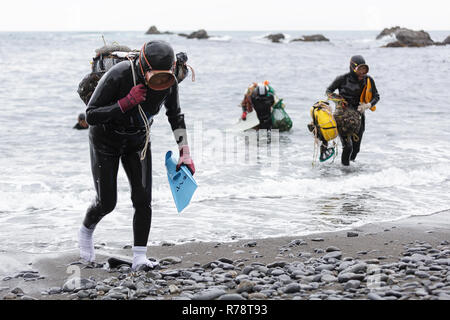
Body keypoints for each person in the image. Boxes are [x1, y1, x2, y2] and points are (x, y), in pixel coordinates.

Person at [78, 40, 195, 271]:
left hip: (138, 141)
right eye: (155, 76)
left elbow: (175, 115)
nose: (160, 82)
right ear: (143, 68)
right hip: (105, 141)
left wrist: (185, 152)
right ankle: (85, 231)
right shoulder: (119, 75)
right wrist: (125, 102)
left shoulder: (170, 82)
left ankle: (139, 256)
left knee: (143, 200)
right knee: (107, 202)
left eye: (166, 76)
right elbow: (90, 115)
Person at [325, 55, 380, 166]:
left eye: (364, 69)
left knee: (356, 148)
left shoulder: (368, 80)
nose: (362, 72)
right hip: (342, 115)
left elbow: (376, 96)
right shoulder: (342, 78)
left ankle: (350, 172)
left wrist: (367, 105)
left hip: (359, 115)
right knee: (348, 147)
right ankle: (344, 171)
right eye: (359, 69)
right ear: (352, 67)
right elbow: (328, 91)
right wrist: (338, 100)